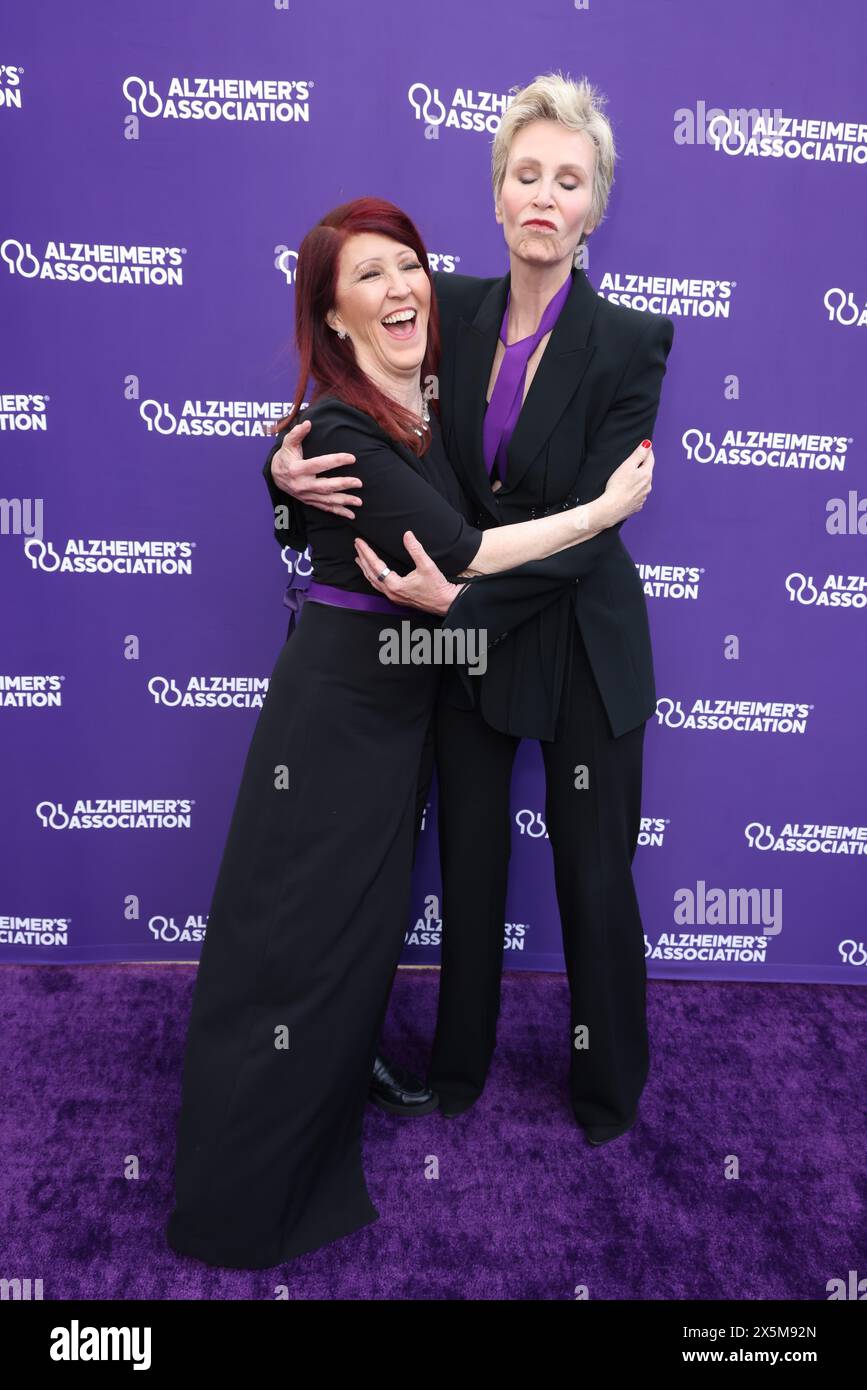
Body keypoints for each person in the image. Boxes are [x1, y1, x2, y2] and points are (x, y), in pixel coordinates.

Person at [165, 196, 652, 1270]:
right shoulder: (343, 419)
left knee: (356, 928)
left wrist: (278, 478)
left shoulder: (424, 387)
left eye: (408, 267)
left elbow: (409, 546)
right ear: (331, 317)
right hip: (345, 705)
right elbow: (462, 549)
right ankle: (252, 1168)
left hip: (407, 690)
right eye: (369, 278)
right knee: (297, 929)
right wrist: (601, 514)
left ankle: (330, 1085)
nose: (399, 290)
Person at [265, 72, 675, 1146]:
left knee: (594, 877)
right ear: (497, 196)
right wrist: (281, 468)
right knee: (472, 862)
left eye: (569, 180)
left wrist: (463, 603)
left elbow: (595, 529)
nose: (544, 195)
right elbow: (347, 397)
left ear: (594, 207)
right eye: (525, 174)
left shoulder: (635, 341)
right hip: (458, 631)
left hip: (577, 632)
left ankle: (606, 1093)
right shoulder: (442, 304)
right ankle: (458, 1067)